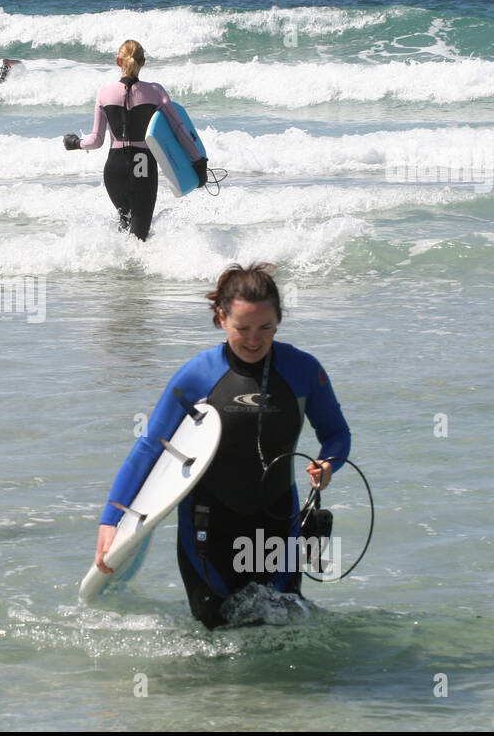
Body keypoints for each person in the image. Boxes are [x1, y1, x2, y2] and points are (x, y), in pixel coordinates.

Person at [93, 263, 351, 628]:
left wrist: (328, 465)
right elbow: (151, 448)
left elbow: (337, 433)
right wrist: (111, 519)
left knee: (281, 633)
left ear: (279, 320)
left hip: (278, 524)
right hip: (207, 531)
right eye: (242, 328)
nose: (254, 339)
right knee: (216, 638)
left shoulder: (303, 370)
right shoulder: (197, 375)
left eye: (266, 328)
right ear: (221, 319)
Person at [63, 39, 207, 241]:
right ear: (143, 62)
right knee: (139, 235)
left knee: (125, 229)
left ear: (117, 62)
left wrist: (76, 143)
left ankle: (118, 271)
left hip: (114, 168)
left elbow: (96, 140)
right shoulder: (156, 92)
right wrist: (199, 162)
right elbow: (179, 130)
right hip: (144, 165)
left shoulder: (104, 93)